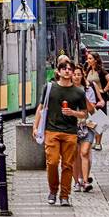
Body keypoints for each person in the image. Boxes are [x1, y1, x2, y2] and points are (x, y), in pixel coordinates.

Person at [34, 56, 89, 206]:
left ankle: (64, 195)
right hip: (51, 130)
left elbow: (84, 113)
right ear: (58, 72)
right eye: (64, 68)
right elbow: (41, 107)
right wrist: (35, 126)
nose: (67, 71)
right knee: (51, 162)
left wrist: (73, 113)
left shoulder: (78, 92)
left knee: (67, 165)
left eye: (70, 69)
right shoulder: (50, 88)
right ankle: (53, 190)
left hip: (70, 132)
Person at [72, 63, 97, 193]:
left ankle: (86, 182)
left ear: (83, 76)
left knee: (85, 152)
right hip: (72, 127)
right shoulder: (68, 90)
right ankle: (77, 181)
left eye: (79, 74)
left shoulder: (88, 90)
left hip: (87, 125)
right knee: (75, 155)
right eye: (74, 74)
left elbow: (92, 110)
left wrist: (84, 98)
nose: (76, 77)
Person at [87, 53, 109, 152]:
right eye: (88, 58)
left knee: (100, 120)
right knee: (92, 119)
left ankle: (98, 143)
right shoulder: (88, 69)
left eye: (90, 58)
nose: (88, 60)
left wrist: (104, 90)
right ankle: (94, 140)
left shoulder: (101, 70)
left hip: (100, 98)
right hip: (90, 97)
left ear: (95, 60)